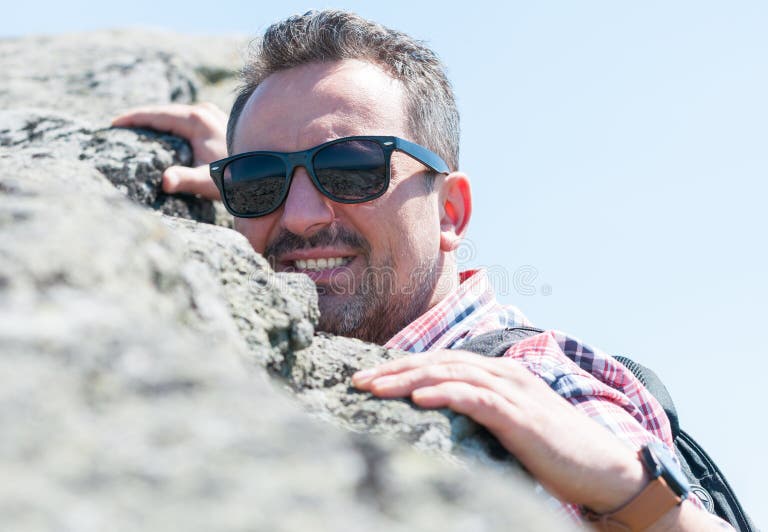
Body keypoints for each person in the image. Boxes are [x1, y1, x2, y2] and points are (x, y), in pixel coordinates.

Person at [113, 10, 732, 531]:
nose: (299, 216)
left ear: (451, 212)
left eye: (351, 168)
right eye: (258, 180)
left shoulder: (533, 386)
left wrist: (633, 495)